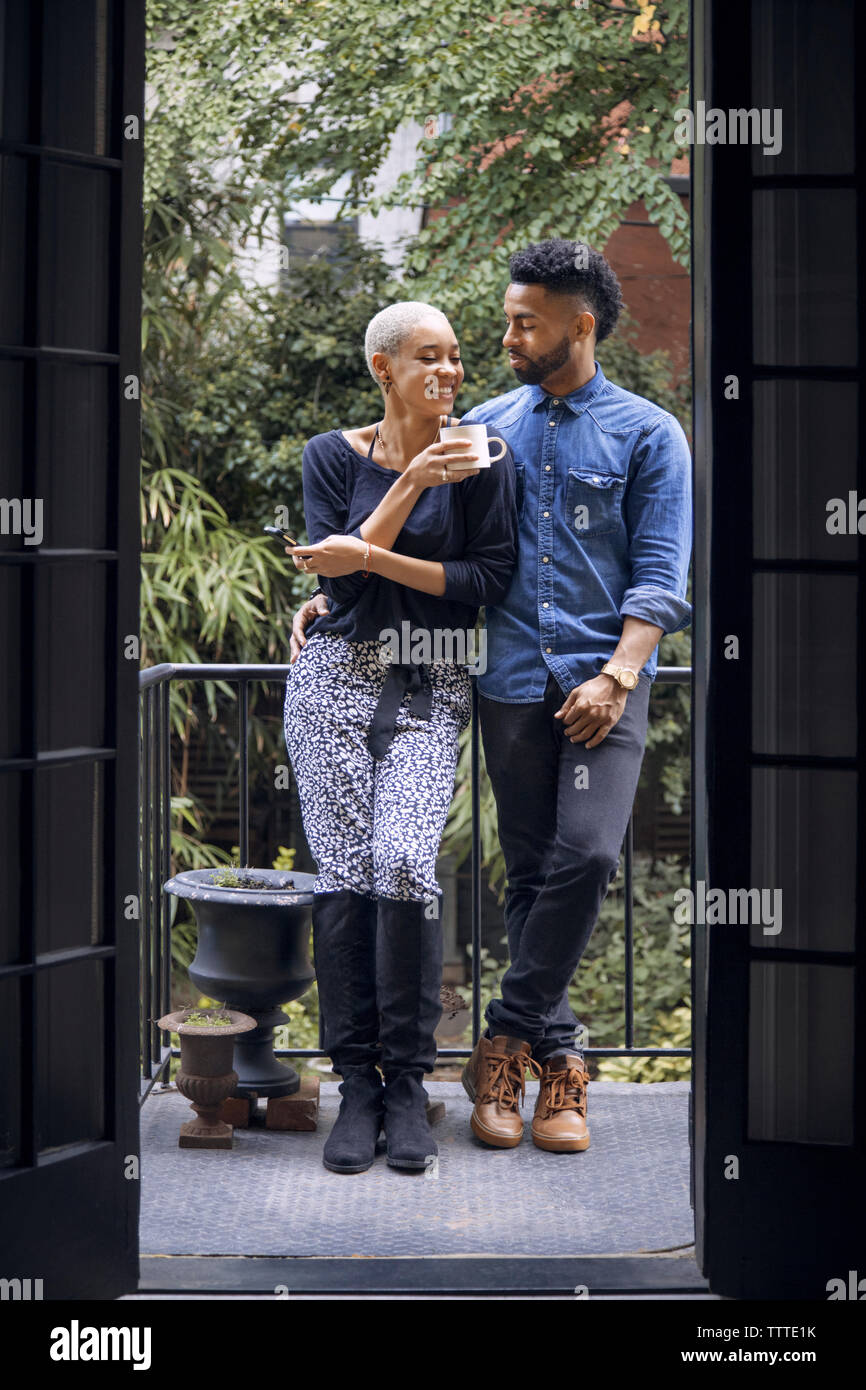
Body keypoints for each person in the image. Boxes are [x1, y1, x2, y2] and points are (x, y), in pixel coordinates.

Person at [292, 241, 693, 1158]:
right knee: (527, 872)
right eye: (505, 321)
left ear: (579, 325)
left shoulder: (646, 431)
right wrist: (332, 589)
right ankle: (541, 1079)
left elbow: (664, 573)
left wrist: (621, 672)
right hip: (509, 681)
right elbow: (426, 539)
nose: (503, 336)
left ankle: (511, 1036)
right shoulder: (487, 426)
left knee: (585, 857)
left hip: (603, 681)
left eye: (524, 322)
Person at [283, 300, 517, 1175]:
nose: (451, 371)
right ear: (385, 369)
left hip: (431, 679)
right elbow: (337, 598)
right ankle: (359, 1085)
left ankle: (412, 1083)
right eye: (430, 357)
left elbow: (485, 581)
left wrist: (371, 557)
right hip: (332, 680)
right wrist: (412, 481)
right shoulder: (330, 457)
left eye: (457, 356)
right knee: (344, 875)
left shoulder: (487, 459)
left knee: (407, 864)